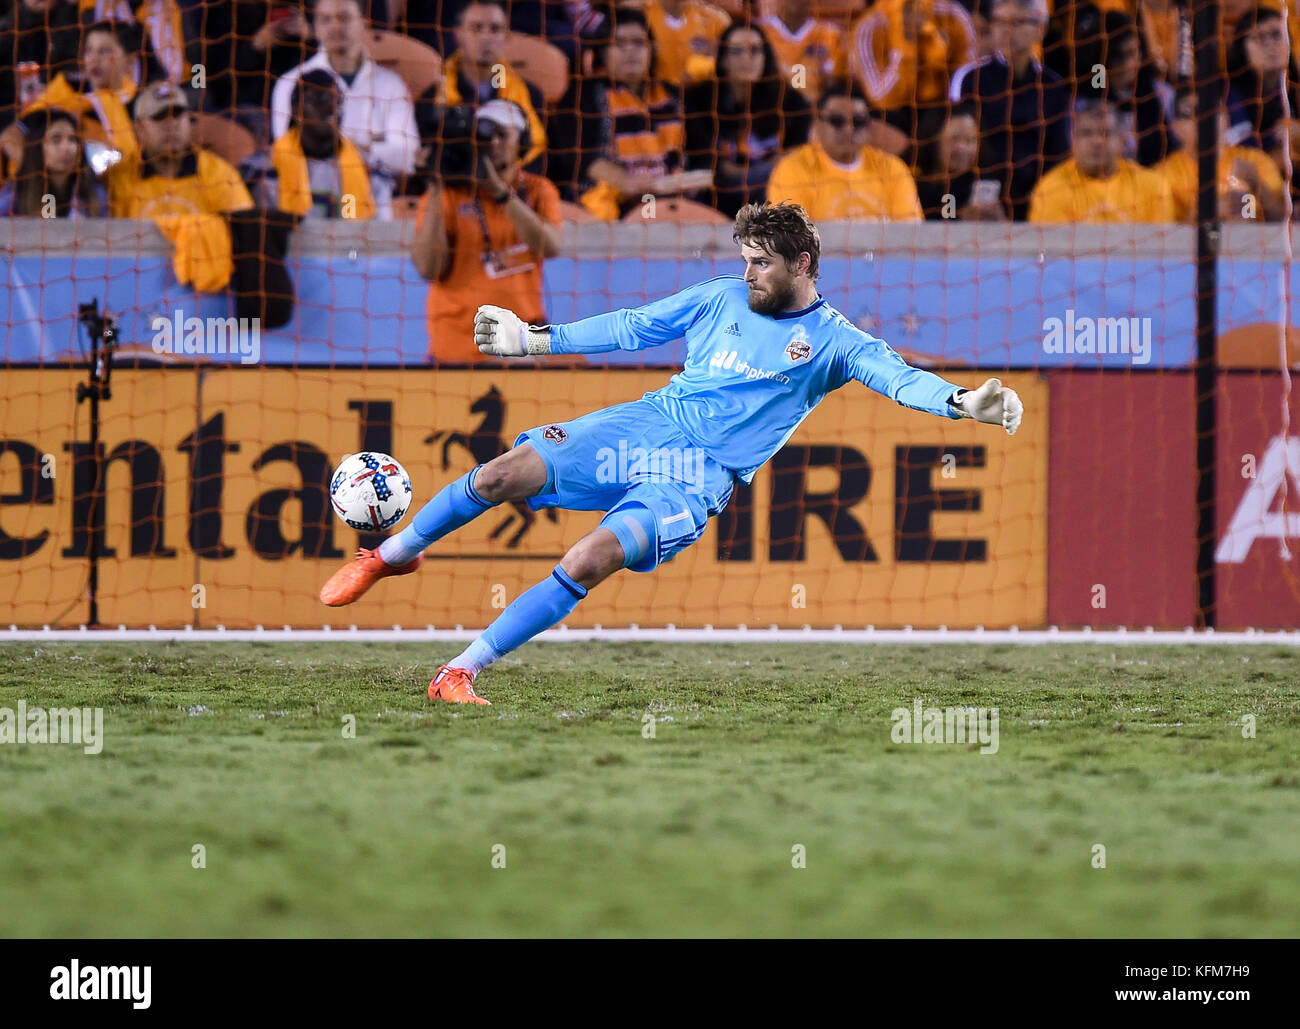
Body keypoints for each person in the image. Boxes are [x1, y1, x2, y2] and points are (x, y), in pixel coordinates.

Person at [320, 201, 1026, 704]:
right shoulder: (719, 297)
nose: (748, 275)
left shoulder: (837, 341)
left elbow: (900, 379)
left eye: (761, 264)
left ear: (802, 264)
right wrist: (534, 340)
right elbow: (631, 327)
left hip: (693, 478)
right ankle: (387, 554)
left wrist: (962, 402)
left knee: (585, 560)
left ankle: (460, 671)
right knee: (505, 471)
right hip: (643, 425)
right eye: (744, 260)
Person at [410, 99, 561, 364]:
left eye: (502, 135)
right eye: (485, 136)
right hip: (454, 346)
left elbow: (551, 247)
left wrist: (499, 191)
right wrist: (435, 188)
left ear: (522, 143)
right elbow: (428, 269)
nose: (492, 143)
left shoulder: (538, 190)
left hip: (517, 344)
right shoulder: (448, 194)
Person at [271, 0, 418, 212]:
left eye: (344, 18)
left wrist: (348, 148)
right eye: (326, 20)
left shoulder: (391, 84)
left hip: (371, 194)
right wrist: (369, 146)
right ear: (315, 27)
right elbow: (287, 151)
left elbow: (407, 157)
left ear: (364, 22)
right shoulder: (291, 83)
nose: (335, 27)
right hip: (307, 193)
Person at [950, 0, 1069, 219]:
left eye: (1016, 22)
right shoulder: (969, 78)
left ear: (1040, 29)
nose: (1005, 30)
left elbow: (1058, 155)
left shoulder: (1053, 86)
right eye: (999, 22)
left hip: (1038, 200)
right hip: (976, 199)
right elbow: (953, 148)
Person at [683, 20, 812, 217]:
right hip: (716, 194)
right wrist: (771, 164)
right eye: (737, 52)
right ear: (723, 59)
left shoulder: (790, 100)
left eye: (755, 51)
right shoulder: (700, 99)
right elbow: (710, 167)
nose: (746, 58)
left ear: (766, 57)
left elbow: (799, 154)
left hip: (771, 196)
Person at [576, 6, 686, 221]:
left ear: (651, 49)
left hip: (674, 202)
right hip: (613, 207)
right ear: (603, 52)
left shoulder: (673, 96)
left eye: (638, 42)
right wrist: (626, 182)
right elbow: (579, 159)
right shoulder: (584, 95)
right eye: (620, 43)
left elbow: (698, 157)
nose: (630, 51)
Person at [766, 78, 922, 221]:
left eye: (858, 121)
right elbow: (790, 241)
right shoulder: (793, 169)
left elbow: (909, 235)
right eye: (837, 121)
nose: (849, 129)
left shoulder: (892, 168)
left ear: (869, 125)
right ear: (818, 124)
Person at [420, 0, 547, 166]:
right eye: (476, 28)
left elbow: (542, 160)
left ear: (506, 37)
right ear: (458, 34)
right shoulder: (433, 96)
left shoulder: (531, 95)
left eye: (495, 29)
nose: (486, 38)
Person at [1028, 97, 1175, 222]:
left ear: (1123, 142)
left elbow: (1162, 250)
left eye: (1106, 133)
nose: (1097, 141)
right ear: (1072, 142)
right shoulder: (1050, 190)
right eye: (1086, 133)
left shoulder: (1153, 187)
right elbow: (1052, 251)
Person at [1160, 86, 1285, 223]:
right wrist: (1203, 213)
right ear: (1176, 127)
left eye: (1212, 109)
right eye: (1191, 112)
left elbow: (1285, 220)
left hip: (1254, 241)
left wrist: (1258, 186)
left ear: (1227, 118)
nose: (1204, 118)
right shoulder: (1164, 175)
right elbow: (1163, 238)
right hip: (1197, 243)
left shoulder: (1255, 160)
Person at [263, 68, 376, 219]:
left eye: (337, 100)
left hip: (350, 242)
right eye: (319, 99)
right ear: (296, 109)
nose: (332, 108)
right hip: (292, 242)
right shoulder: (268, 165)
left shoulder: (368, 165)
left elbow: (377, 230)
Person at [0, 106, 107, 215]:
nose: (66, 147)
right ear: (37, 147)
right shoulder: (14, 195)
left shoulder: (95, 193)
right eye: (56, 140)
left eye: (72, 139)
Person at [914, 100, 1007, 220]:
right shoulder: (916, 186)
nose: (962, 148)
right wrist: (962, 220)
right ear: (934, 141)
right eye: (954, 139)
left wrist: (1001, 222)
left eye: (970, 140)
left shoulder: (988, 181)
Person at [758, 0, 847, 99]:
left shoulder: (831, 35)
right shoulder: (759, 33)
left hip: (816, 109)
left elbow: (835, 86)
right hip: (769, 107)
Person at [643, 0, 730, 84]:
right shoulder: (641, 13)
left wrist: (705, 66)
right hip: (650, 94)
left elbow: (729, 62)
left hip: (699, 94)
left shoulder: (717, 21)